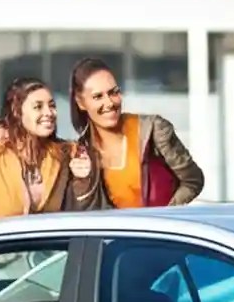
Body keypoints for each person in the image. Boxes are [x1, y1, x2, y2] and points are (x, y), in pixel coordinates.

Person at [0, 77, 93, 223]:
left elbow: (81, 216)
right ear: (16, 111)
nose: (49, 113)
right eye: (38, 107)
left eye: (52, 105)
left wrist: (83, 181)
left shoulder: (65, 155)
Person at [68, 56, 204, 209]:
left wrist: (164, 215)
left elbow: (193, 181)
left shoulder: (153, 130)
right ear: (81, 103)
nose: (110, 103)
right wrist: (82, 183)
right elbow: (86, 214)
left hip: (158, 230)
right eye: (98, 96)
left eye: (114, 92)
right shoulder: (78, 154)